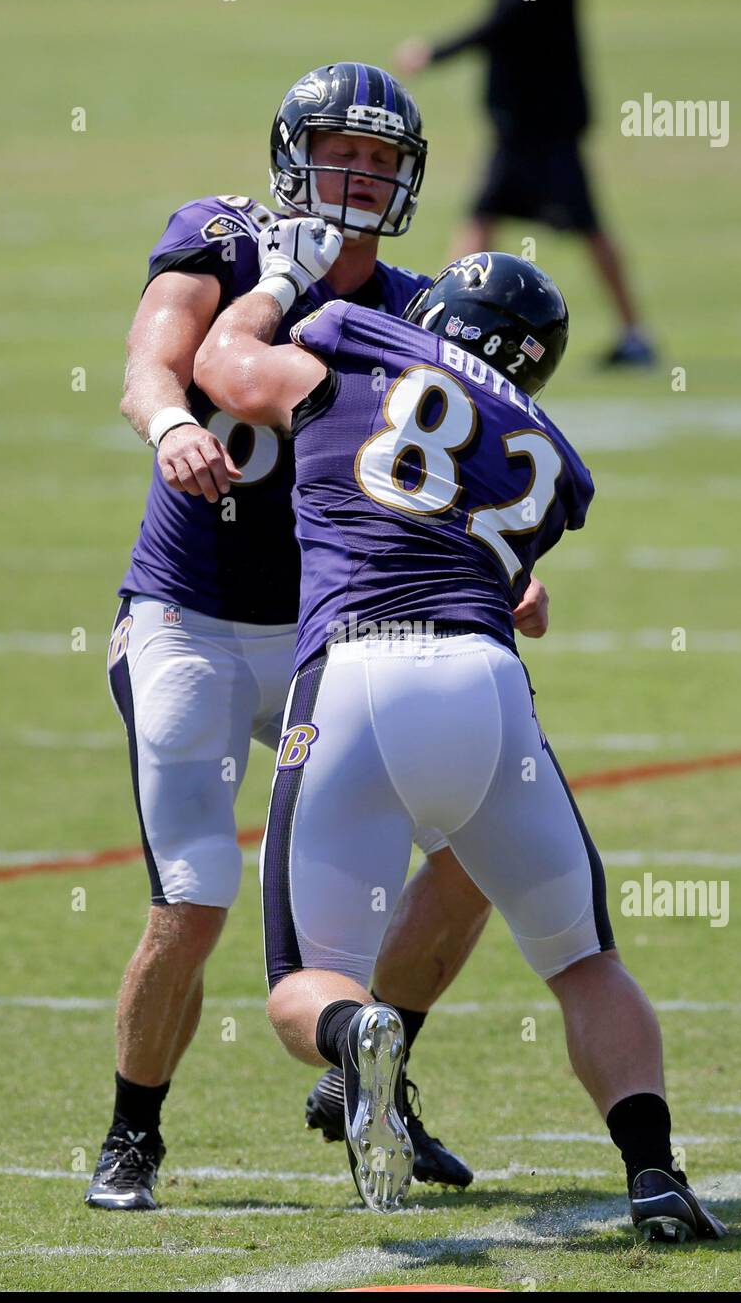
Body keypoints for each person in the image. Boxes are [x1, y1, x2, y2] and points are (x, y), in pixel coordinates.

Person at [194, 224, 727, 1242]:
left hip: (355, 672)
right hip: (488, 692)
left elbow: (223, 366)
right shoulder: (549, 455)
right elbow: (476, 537)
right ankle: (654, 1173)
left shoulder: (357, 335)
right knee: (583, 961)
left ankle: (358, 1036)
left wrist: (275, 284)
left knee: (302, 985)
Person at [87, 61, 550, 1211]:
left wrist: (499, 572)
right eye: (345, 151)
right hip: (187, 616)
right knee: (192, 899)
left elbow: (453, 475)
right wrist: (168, 426)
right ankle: (131, 1132)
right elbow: (155, 353)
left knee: (471, 859)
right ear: (295, 153)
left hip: (331, 638)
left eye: (386, 161)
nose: (363, 174)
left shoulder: (415, 305)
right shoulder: (224, 238)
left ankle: (364, 1079)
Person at [395, 0, 656, 366]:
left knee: (579, 226)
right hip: (524, 129)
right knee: (483, 218)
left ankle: (635, 335)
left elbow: (502, 25)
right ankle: (442, 321)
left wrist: (433, 53)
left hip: (543, 130)